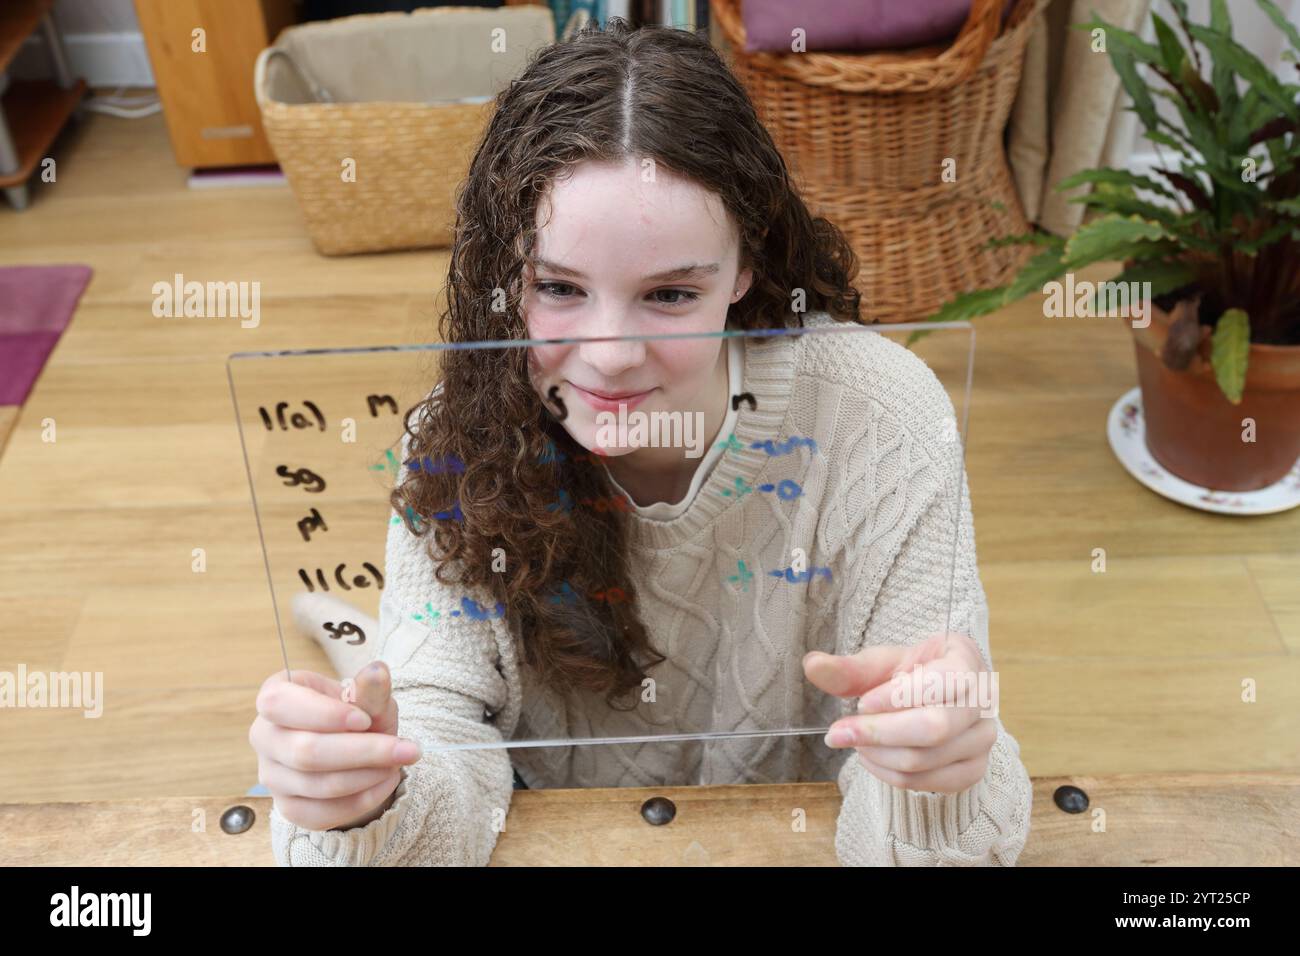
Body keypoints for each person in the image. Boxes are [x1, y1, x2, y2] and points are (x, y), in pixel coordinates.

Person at [247, 16, 1033, 866]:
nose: (612, 358)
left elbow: (936, 822)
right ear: (504, 277)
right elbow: (439, 739)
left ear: (745, 267)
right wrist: (366, 800)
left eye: (669, 295)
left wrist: (936, 780)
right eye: (558, 287)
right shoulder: (455, 435)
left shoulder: (886, 421)